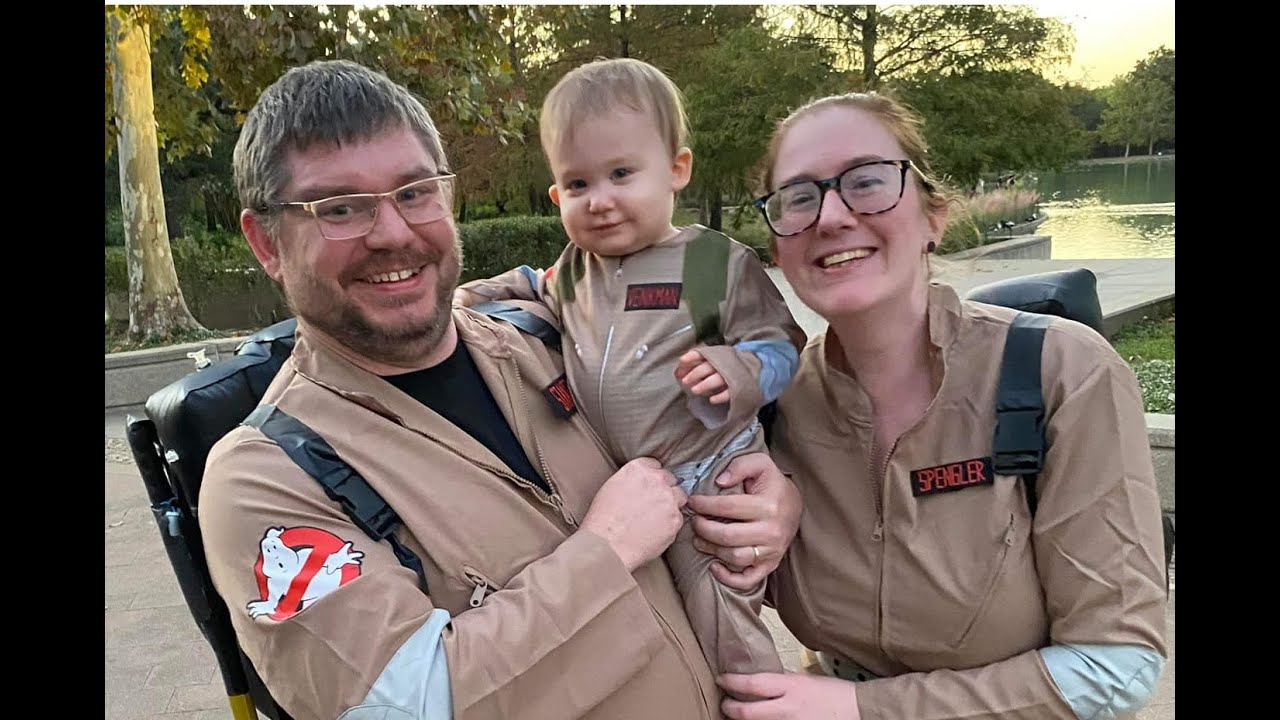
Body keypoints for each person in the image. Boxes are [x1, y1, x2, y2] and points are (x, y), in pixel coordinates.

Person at [196, 58, 802, 720]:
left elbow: (698, 409)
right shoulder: (264, 478)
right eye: (339, 207)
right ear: (266, 243)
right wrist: (606, 549)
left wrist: (776, 494)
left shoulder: (540, 342)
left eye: (414, 191)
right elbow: (397, 706)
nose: (393, 232)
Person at [712, 91, 1170, 719]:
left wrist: (862, 709)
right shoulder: (766, 405)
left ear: (934, 216)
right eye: (798, 197)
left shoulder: (1063, 372)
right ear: (779, 247)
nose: (832, 216)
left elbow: (1115, 665)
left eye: (868, 182)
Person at [454, 57, 807, 684]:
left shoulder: (705, 261)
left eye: (621, 174)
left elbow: (782, 347)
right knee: (647, 633)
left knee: (724, 623)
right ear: (558, 196)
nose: (602, 200)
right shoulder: (575, 269)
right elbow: (531, 288)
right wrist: (458, 299)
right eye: (579, 184)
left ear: (676, 169)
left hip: (707, 479)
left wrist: (742, 370)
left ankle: (760, 704)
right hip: (620, 489)